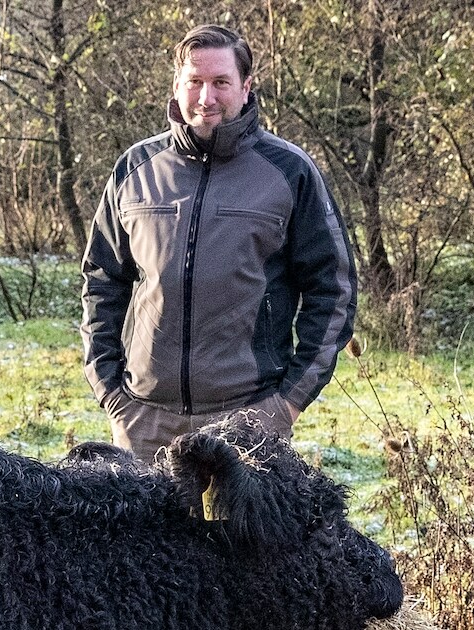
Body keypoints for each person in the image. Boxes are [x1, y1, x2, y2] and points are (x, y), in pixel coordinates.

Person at [79, 24, 357, 463]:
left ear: (246, 87)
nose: (206, 98)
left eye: (221, 82)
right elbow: (101, 281)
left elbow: (333, 290)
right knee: (144, 536)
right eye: (195, 82)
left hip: (247, 423)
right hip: (144, 421)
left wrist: (286, 404)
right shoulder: (136, 169)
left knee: (240, 536)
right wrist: (111, 391)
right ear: (177, 85)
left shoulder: (288, 172)